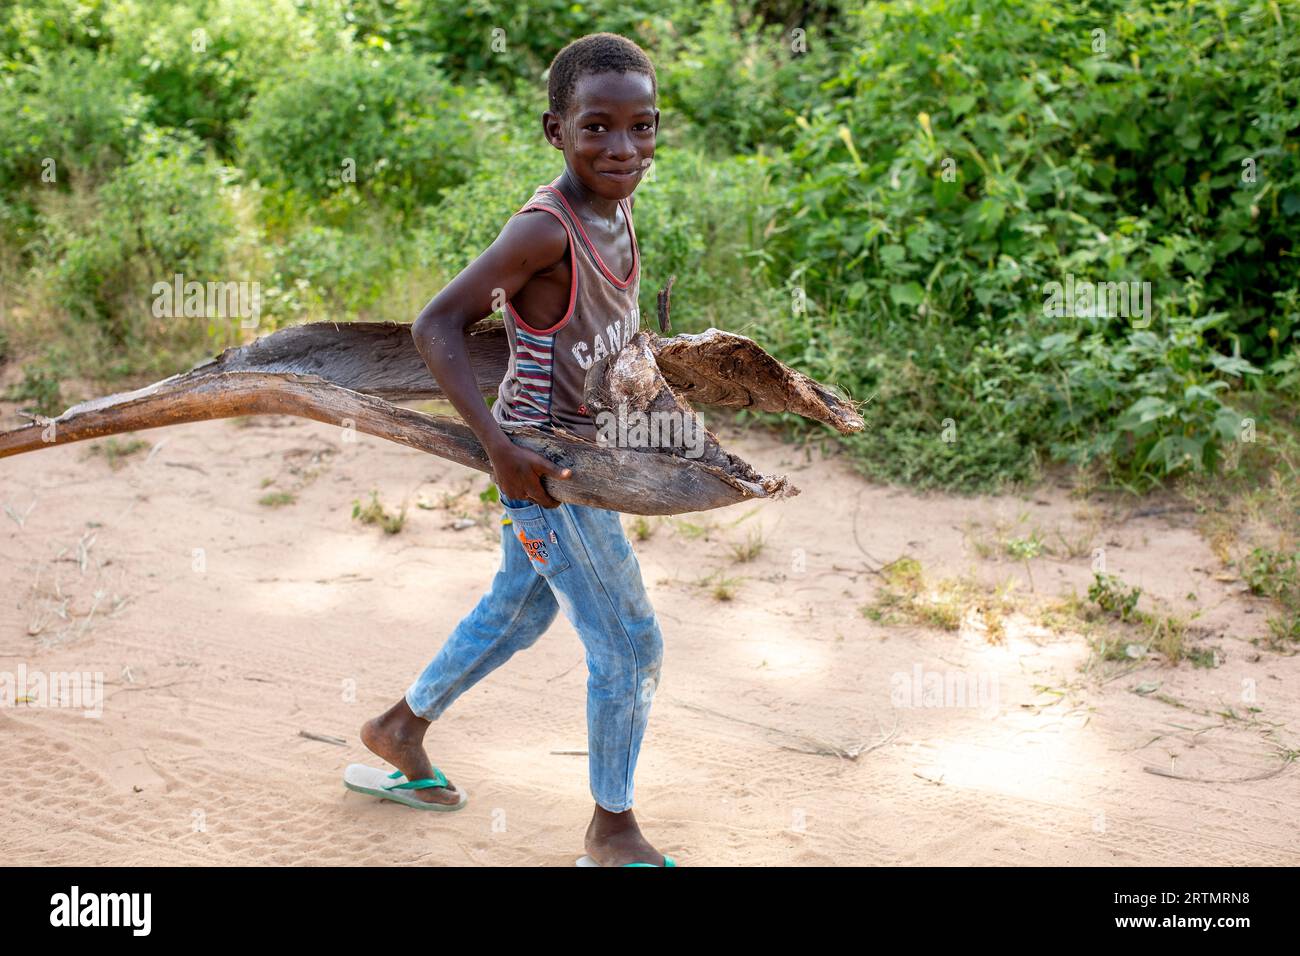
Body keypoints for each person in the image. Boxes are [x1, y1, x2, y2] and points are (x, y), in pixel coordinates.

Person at [353, 32, 674, 867]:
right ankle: (613, 833)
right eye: (596, 127)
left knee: (522, 610)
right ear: (555, 130)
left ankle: (398, 729)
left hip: (580, 454)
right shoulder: (544, 230)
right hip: (545, 468)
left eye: (641, 127)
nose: (622, 147)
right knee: (630, 643)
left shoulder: (617, 204)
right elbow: (437, 324)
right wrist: (496, 447)